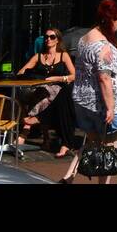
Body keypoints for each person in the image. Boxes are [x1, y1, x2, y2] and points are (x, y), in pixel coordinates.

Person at [62, 0, 117, 184]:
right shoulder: (102, 45)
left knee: (93, 143)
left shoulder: (85, 38)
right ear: (110, 20)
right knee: (109, 147)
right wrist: (110, 107)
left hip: (84, 101)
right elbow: (104, 77)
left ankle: (70, 176)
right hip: (102, 103)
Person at [15, 28, 76, 157]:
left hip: (58, 89)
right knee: (40, 95)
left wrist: (58, 78)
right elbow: (21, 71)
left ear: (57, 40)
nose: (48, 39)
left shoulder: (63, 55)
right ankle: (44, 136)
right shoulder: (39, 56)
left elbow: (74, 75)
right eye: (46, 37)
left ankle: (25, 131)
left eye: (52, 37)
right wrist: (33, 75)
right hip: (41, 88)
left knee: (42, 95)